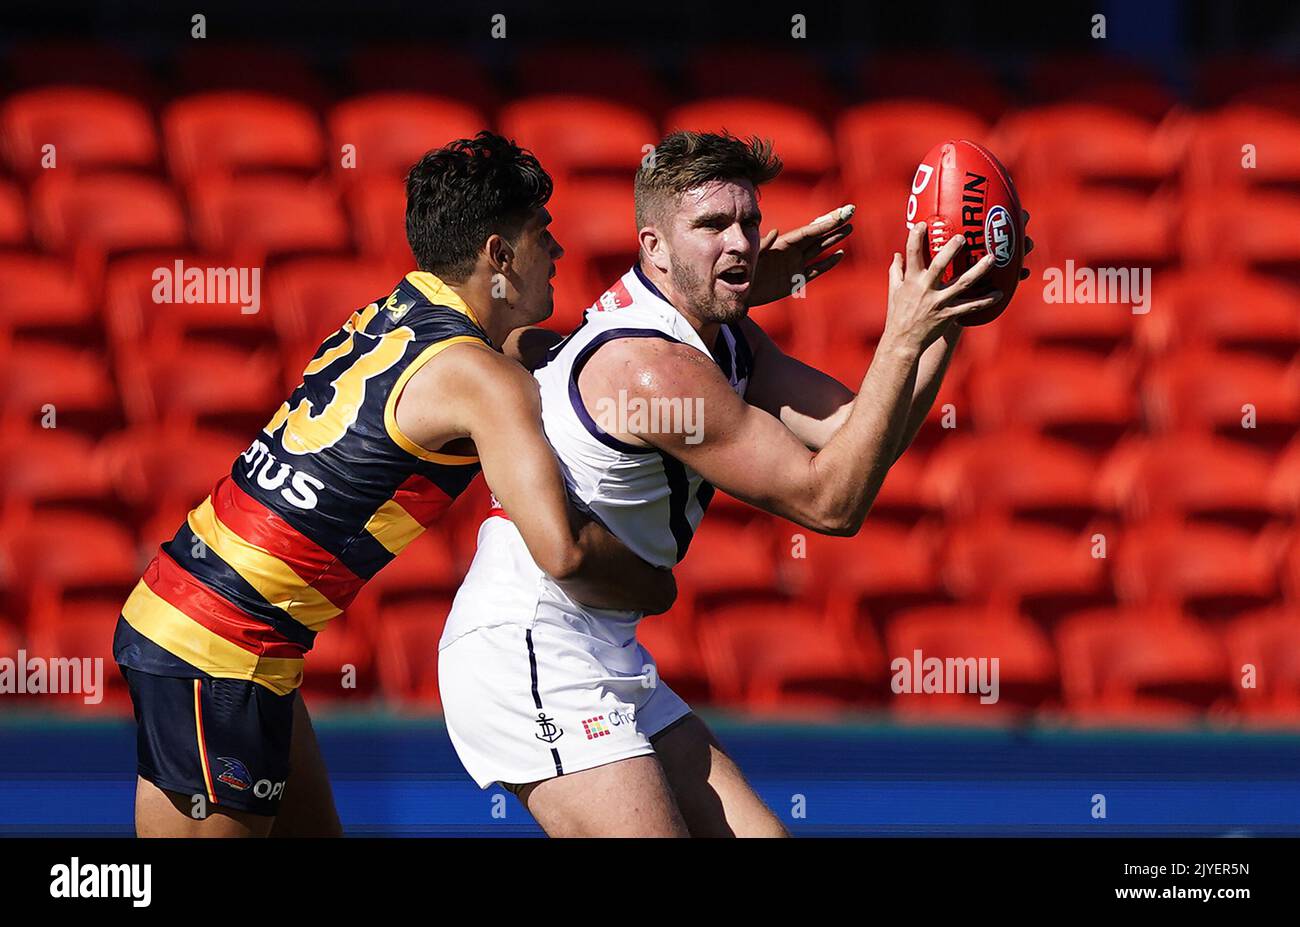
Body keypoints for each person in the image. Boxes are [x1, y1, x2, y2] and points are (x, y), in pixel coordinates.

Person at [437, 128, 1018, 836]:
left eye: (748, 220)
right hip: (528, 641)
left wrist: (948, 312)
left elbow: (861, 435)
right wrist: (902, 337)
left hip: (601, 638)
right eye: (712, 225)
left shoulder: (723, 337)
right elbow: (832, 503)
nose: (741, 242)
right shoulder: (655, 371)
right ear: (653, 247)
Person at [112, 132, 676, 837]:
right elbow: (564, 552)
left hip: (218, 622)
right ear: (499, 256)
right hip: (221, 643)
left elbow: (524, 353)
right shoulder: (482, 379)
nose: (558, 251)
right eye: (543, 233)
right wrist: (655, 584)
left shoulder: (402, 311)